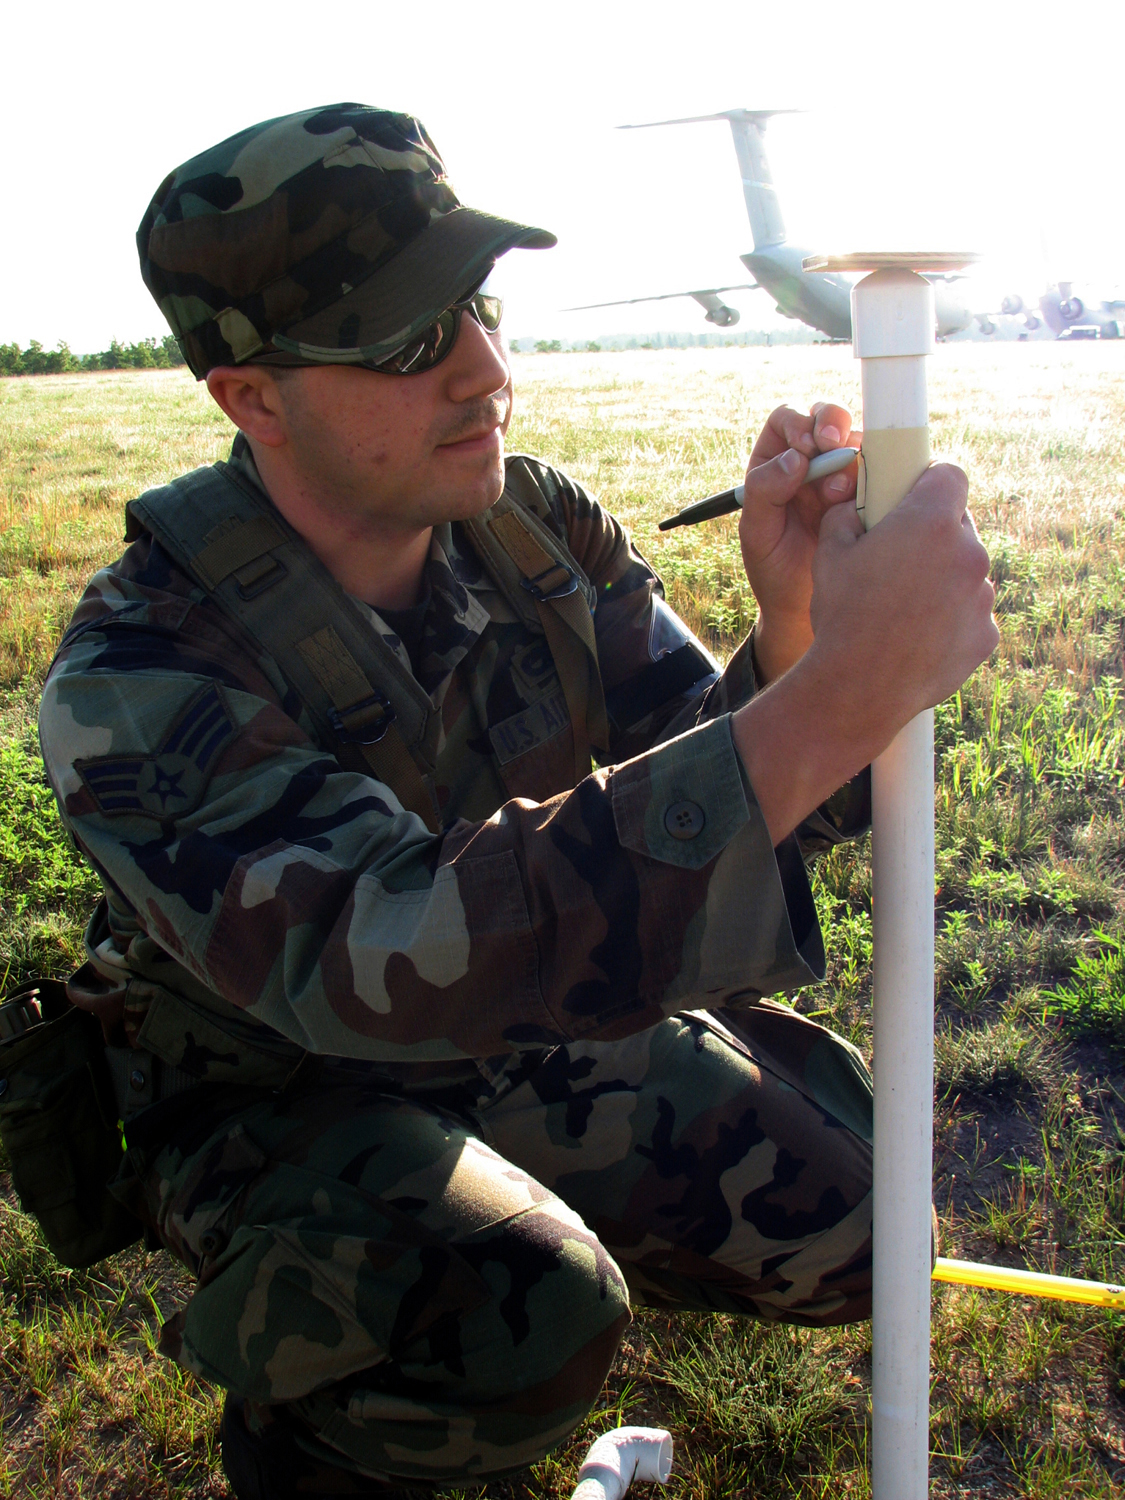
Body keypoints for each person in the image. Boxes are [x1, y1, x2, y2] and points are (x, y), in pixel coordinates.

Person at [37, 103, 997, 1499]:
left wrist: (793, 634)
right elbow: (379, 959)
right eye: (403, 337)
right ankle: (321, 1442)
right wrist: (838, 696)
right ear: (251, 396)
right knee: (518, 1301)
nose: (486, 371)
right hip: (274, 1080)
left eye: (476, 305)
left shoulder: (527, 522)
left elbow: (701, 761)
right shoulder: (137, 670)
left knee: (860, 1228)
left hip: (502, 1005)